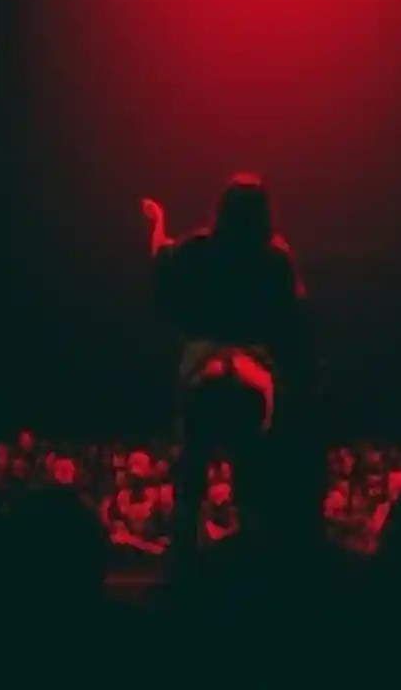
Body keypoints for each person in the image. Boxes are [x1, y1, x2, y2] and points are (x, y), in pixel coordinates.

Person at [141, 172, 316, 576]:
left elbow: (161, 264)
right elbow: (294, 318)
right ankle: (253, 553)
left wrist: (158, 222)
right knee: (255, 464)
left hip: (203, 359)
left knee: (192, 461)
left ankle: (182, 552)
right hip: (254, 362)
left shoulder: (198, 248)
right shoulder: (275, 257)